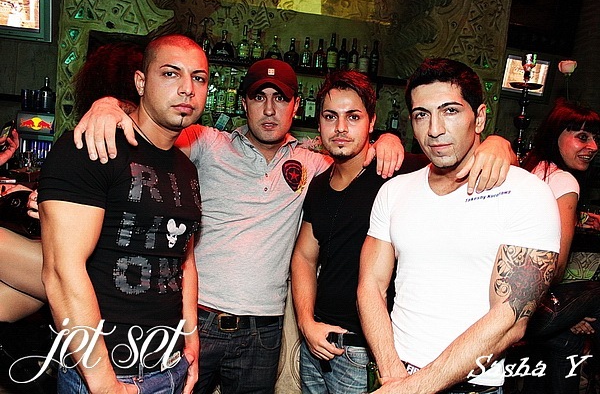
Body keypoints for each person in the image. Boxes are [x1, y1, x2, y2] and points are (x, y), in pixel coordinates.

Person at [73, 58, 514, 393]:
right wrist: (109, 106)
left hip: (267, 333)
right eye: (258, 97)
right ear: (242, 103)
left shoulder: (318, 162)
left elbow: (446, 149)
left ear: (296, 107)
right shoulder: (207, 143)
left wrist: (495, 142)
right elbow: (155, 128)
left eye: (281, 98)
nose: (269, 109)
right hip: (198, 319)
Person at [357, 58, 561, 393]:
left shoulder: (527, 194)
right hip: (394, 374)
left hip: (472, 385)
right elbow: (370, 285)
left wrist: (414, 388)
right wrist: (391, 371)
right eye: (421, 115)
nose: (434, 129)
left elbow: (510, 321)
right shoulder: (394, 191)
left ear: (479, 117)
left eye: (450, 111)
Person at [37, 34, 204, 394]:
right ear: (140, 82)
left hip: (170, 367)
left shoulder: (187, 168)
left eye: (199, 78)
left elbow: (183, 261)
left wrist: (190, 342)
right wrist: (103, 383)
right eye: (171, 73)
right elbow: (62, 271)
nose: (187, 88)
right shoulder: (92, 146)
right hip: (109, 374)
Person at [291, 70, 430, 393]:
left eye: (353, 116)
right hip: (317, 345)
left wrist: (496, 146)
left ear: (371, 122)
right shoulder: (319, 185)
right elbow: (304, 257)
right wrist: (306, 322)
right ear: (318, 123)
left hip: (365, 352)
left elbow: (464, 159)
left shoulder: (397, 171)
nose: (340, 128)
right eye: (330, 116)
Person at [0, 41, 144, 323]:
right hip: (117, 275)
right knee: (9, 298)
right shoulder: (146, 139)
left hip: (101, 276)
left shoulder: (101, 135)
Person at [518, 98, 600, 394]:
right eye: (582, 136)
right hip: (528, 306)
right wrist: (564, 311)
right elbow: (557, 265)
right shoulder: (564, 181)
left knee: (563, 341)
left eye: (595, 138)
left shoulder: (531, 170)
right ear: (556, 135)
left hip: (507, 299)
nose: (593, 146)